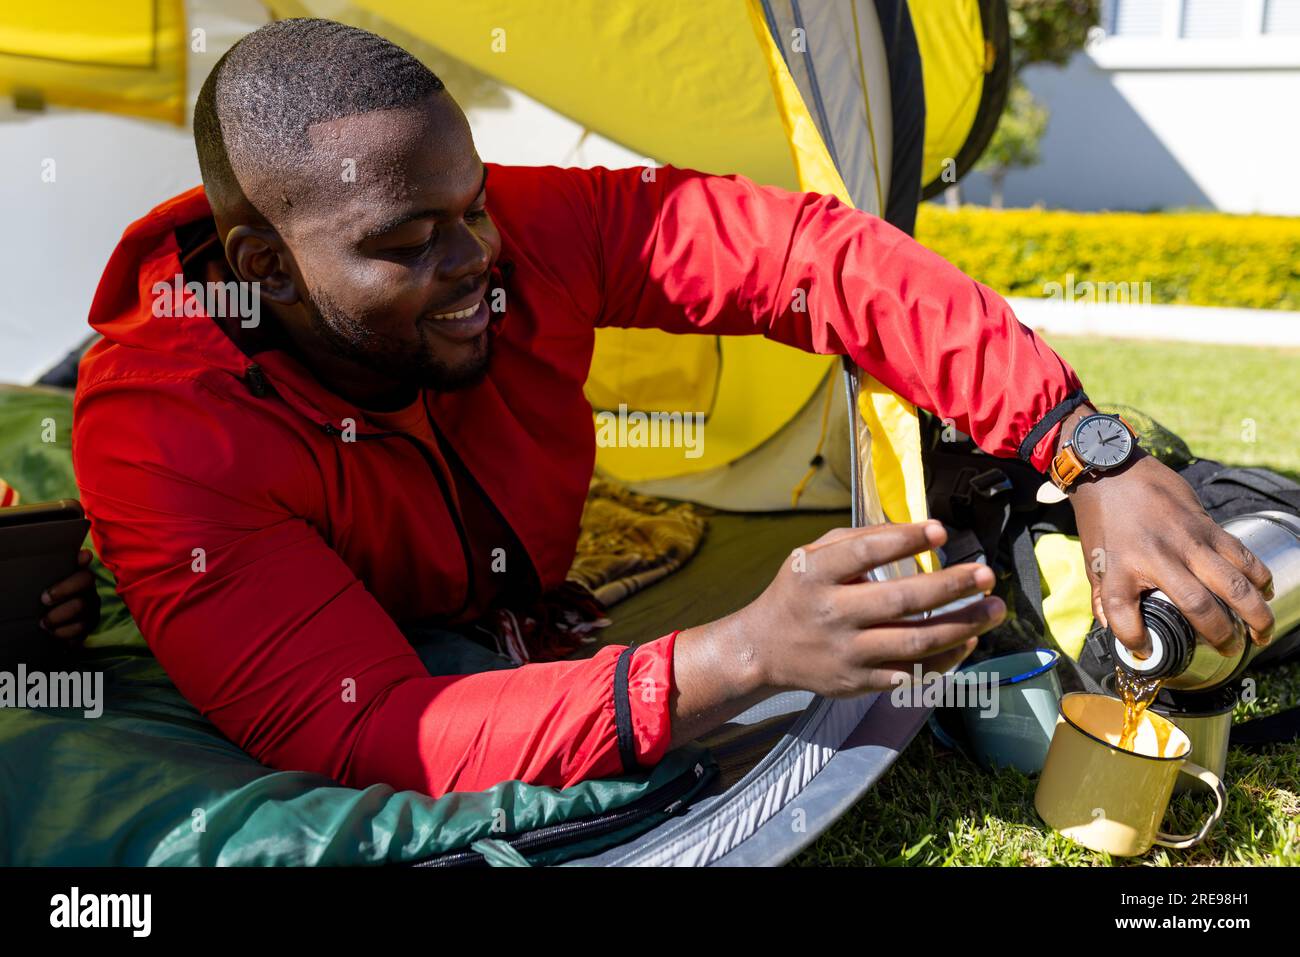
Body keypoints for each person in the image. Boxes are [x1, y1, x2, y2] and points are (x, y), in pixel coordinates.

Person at [70, 19, 1275, 799]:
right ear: (263, 265)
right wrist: (738, 656)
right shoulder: (164, 430)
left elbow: (811, 258)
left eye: (475, 206)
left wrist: (1085, 446)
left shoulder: (509, 228)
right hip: (356, 632)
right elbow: (368, 729)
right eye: (409, 244)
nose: (476, 258)